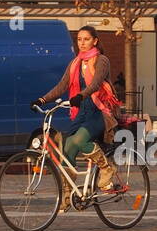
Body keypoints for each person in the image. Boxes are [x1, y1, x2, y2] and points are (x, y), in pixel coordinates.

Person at [33, 26, 123, 211]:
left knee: (80, 140)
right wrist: (42, 99)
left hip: (100, 111)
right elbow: (62, 86)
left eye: (86, 39)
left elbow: (97, 82)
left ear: (95, 41)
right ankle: (67, 195)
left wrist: (81, 95)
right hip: (82, 112)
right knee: (67, 150)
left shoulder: (101, 60)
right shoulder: (75, 63)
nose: (82, 43)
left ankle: (107, 168)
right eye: (79, 39)